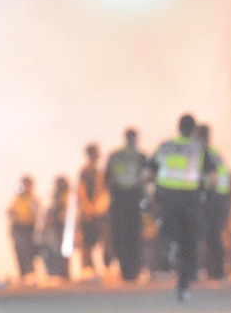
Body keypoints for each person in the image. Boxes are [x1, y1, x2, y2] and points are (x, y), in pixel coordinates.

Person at [150, 113, 216, 302]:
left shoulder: (165, 146)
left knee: (169, 233)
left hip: (167, 198)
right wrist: (208, 195)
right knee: (190, 243)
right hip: (190, 199)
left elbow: (148, 171)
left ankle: (169, 247)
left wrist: (153, 195)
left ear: (178, 127)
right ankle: (184, 285)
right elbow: (213, 177)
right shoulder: (199, 148)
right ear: (194, 129)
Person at [105, 127, 148, 283]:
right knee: (134, 235)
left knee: (120, 235)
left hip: (118, 200)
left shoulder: (115, 155)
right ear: (135, 139)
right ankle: (133, 271)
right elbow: (145, 180)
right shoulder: (141, 156)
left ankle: (125, 270)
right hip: (134, 200)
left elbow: (107, 179)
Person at [198, 123, 231, 282]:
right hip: (221, 198)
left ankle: (205, 270)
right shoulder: (216, 153)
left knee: (199, 235)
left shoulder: (200, 153)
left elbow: (209, 178)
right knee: (215, 235)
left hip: (208, 197)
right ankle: (217, 270)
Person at [76, 143, 112, 280]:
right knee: (88, 240)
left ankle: (103, 266)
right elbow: (82, 189)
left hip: (99, 210)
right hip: (89, 210)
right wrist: (86, 206)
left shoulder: (99, 172)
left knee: (101, 238)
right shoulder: (85, 171)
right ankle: (87, 268)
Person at [7, 175, 39, 286]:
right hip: (17, 228)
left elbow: (34, 214)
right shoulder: (17, 198)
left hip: (27, 228)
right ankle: (23, 274)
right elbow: (10, 211)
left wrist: (24, 219)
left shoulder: (32, 198)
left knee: (28, 251)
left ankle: (30, 273)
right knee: (19, 251)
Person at [39, 175, 71, 283]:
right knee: (56, 255)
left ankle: (62, 276)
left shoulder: (67, 198)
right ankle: (60, 276)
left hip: (60, 230)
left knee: (60, 256)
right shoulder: (63, 198)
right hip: (56, 230)